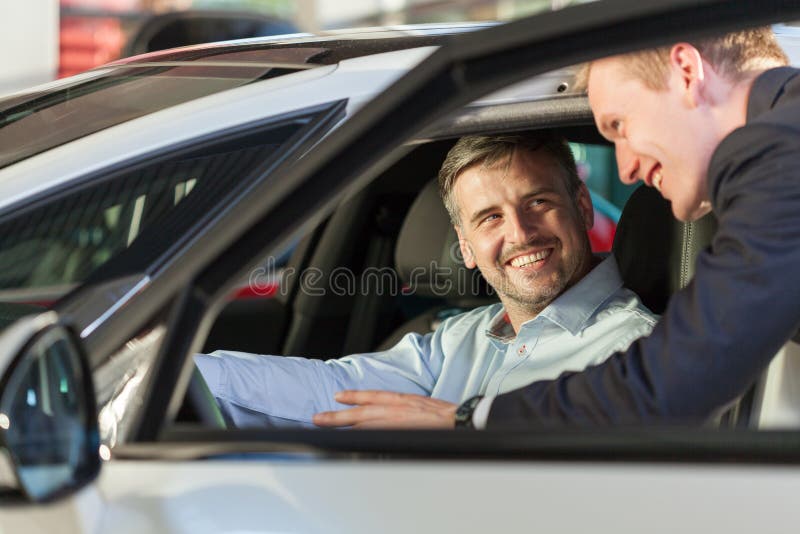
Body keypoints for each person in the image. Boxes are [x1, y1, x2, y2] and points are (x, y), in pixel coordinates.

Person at [319, 26, 799, 430]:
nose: (627, 168)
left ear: (687, 72)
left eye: (619, 125)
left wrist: (465, 422)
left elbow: (675, 382)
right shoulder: (780, 144)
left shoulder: (780, 157)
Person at [196, 133, 656, 428]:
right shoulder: (460, 338)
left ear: (582, 206)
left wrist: (463, 425)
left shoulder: (640, 350)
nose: (519, 233)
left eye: (537, 202)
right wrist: (179, 372)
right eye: (490, 217)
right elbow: (336, 390)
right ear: (467, 246)